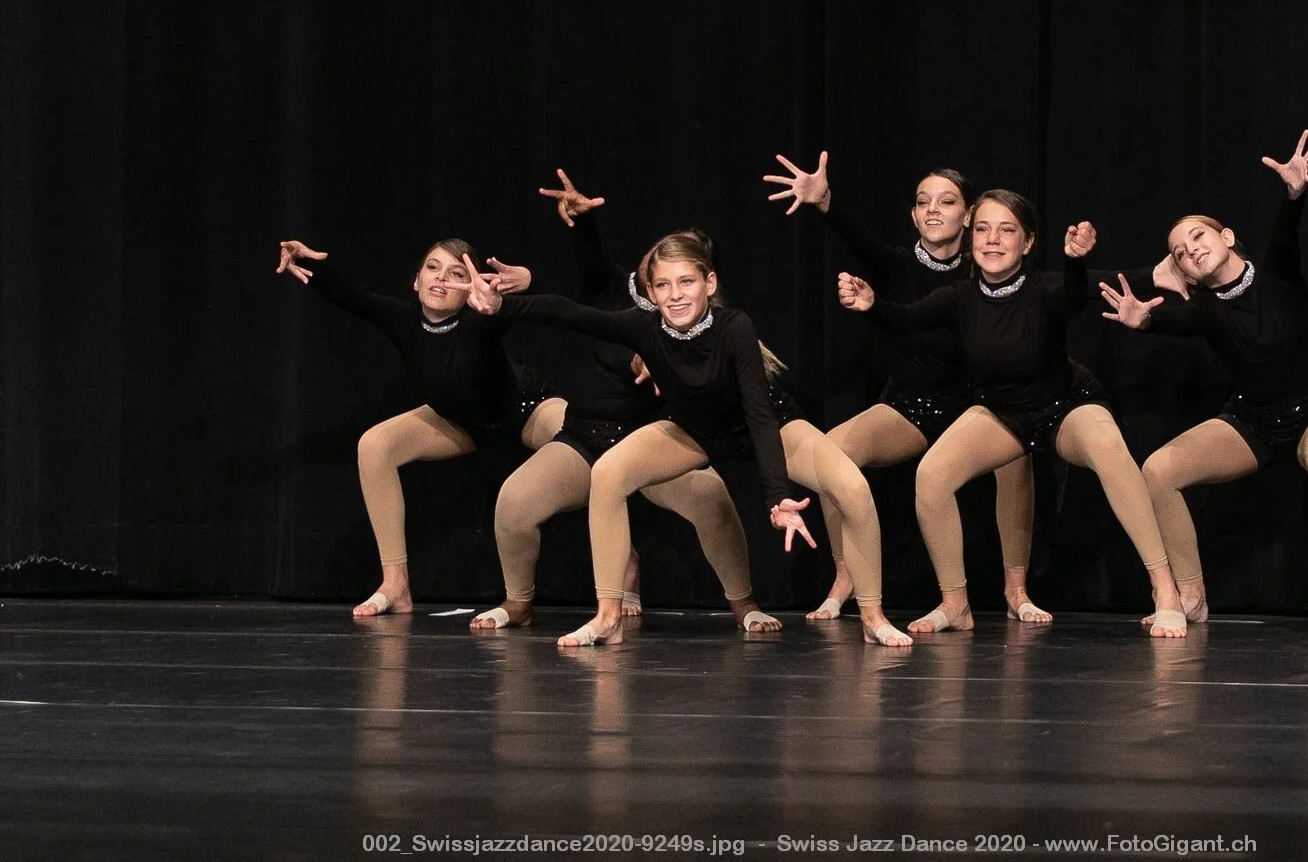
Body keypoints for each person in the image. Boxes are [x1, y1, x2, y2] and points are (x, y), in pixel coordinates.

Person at [460, 229, 912, 647]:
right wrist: (504, 307)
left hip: (768, 425)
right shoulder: (646, 328)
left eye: (686, 283)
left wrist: (777, 495)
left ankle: (872, 618)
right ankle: (608, 615)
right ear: (650, 292)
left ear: (709, 283)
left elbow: (758, 414)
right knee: (610, 472)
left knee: (850, 484)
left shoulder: (735, 328)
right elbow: (568, 314)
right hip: (695, 431)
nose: (675, 296)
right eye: (663, 286)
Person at [838, 190, 1187, 637]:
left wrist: (1078, 259)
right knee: (932, 475)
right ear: (970, 238)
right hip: (1004, 414)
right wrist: (872, 306)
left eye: (1007, 230)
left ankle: (1165, 590)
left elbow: (1081, 291)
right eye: (982, 228)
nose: (992, 239)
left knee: (1107, 445)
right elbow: (906, 319)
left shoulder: (1046, 290)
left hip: (1065, 406)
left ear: (1027, 242)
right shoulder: (958, 297)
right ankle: (955, 603)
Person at [1098, 130, 1308, 630]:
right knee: (1158, 472)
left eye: (1197, 237)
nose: (1190, 251)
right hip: (1254, 422)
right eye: (1179, 252)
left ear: (1225, 236)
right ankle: (1192, 595)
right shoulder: (1203, 310)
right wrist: (1142, 316)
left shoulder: (1278, 274)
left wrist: (1293, 193)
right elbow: (1163, 318)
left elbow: (1286, 233)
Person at [763, 153, 1044, 623]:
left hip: (978, 408)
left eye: (947, 201)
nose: (933, 209)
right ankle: (844, 573)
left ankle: (1016, 588)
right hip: (911, 407)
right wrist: (825, 200)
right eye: (923, 202)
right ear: (913, 215)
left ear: (969, 213)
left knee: (1018, 454)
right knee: (830, 451)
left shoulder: (989, 264)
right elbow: (859, 239)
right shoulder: (895, 266)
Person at [468, 171, 749, 631]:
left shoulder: (691, 322)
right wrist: (582, 222)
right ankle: (518, 600)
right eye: (662, 267)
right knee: (514, 502)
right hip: (585, 435)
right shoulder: (610, 288)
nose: (671, 287)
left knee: (712, 498)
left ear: (702, 280)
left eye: (684, 276)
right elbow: (582, 273)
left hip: (650, 443)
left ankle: (744, 603)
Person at [276, 237, 562, 616]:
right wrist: (309, 263)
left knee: (589, 445)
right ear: (415, 281)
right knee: (375, 444)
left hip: (527, 411)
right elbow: (352, 297)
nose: (442, 278)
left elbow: (554, 309)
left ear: (469, 287)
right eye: (433, 267)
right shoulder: (404, 320)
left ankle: (622, 571)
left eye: (456, 272)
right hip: (462, 425)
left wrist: (528, 279)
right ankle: (396, 585)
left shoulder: (483, 317)